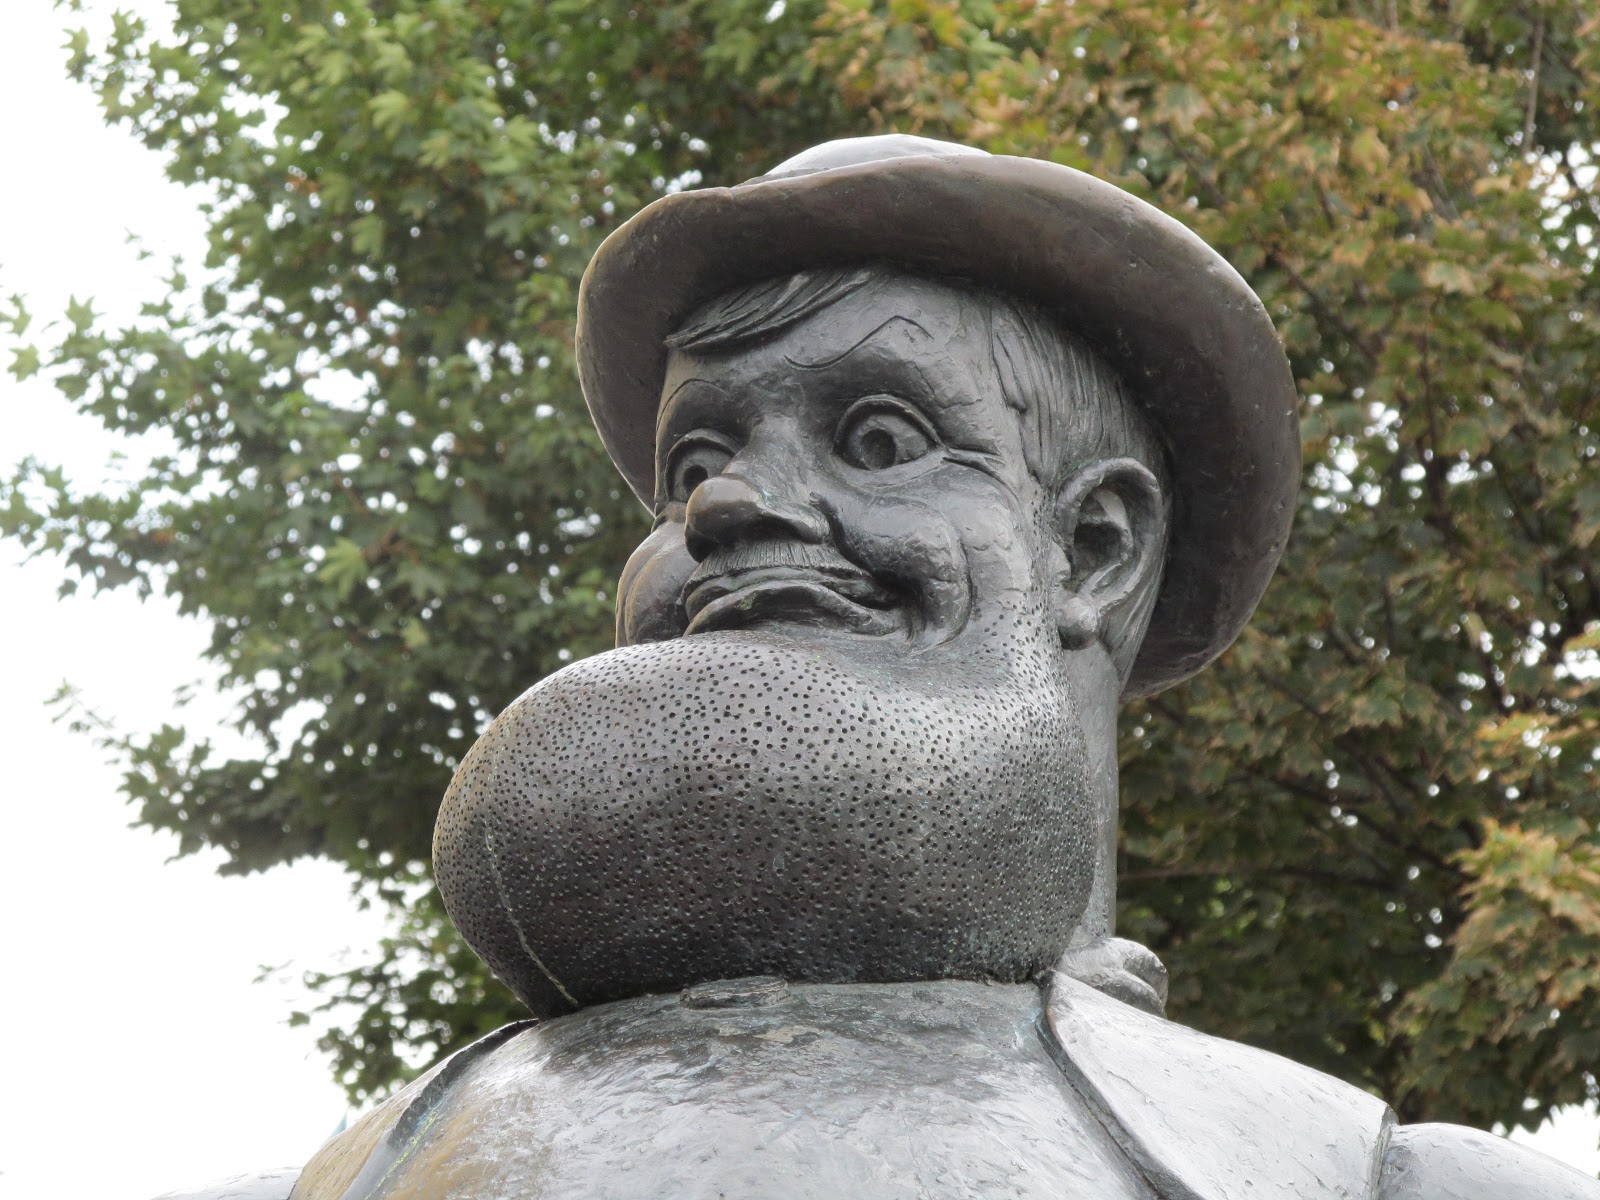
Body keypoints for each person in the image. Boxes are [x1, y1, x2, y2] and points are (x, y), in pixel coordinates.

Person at [162, 136, 1600, 1200]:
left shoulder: (1378, 1186)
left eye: (878, 441)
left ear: (1096, 550)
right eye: (695, 462)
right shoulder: (317, 1185)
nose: (719, 511)